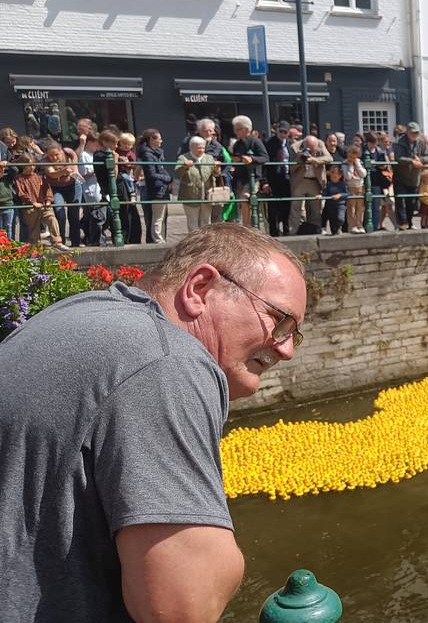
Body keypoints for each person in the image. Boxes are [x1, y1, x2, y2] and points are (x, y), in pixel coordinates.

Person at [0, 223, 305, 622]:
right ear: (199, 288)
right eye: (279, 321)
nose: (286, 350)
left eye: (294, 335)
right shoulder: (167, 361)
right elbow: (181, 608)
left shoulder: (76, 314)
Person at [12, 153, 67, 250]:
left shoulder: (39, 177)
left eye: (33, 164)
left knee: (52, 219)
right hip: (31, 207)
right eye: (30, 165)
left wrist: (48, 200)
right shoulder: (19, 179)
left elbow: (47, 189)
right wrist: (33, 202)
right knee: (34, 228)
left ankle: (57, 242)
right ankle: (35, 248)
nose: (32, 167)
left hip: (44, 205)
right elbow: (21, 193)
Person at [229, 115, 268, 227]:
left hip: (252, 177)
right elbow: (237, 157)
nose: (235, 132)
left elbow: (265, 157)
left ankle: (247, 226)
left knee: (245, 198)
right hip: (240, 177)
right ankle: (243, 224)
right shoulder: (237, 144)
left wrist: (252, 159)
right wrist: (236, 159)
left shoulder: (255, 141)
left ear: (246, 129)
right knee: (239, 201)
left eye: (237, 129)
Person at [288, 135, 332, 235]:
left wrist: (314, 160)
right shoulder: (294, 147)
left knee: (316, 208)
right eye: (309, 149)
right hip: (300, 180)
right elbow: (290, 167)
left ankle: (316, 230)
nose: (311, 151)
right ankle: (293, 231)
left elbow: (329, 158)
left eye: (313, 149)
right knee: (296, 207)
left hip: (315, 181)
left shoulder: (320, 144)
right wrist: (300, 160)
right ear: (304, 144)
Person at [393, 122, 428, 230]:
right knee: (400, 201)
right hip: (400, 176)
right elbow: (398, 157)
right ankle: (402, 223)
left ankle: (409, 222)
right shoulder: (398, 142)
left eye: (417, 132)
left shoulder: (422, 142)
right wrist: (411, 161)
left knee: (412, 202)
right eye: (413, 132)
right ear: (407, 132)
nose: (415, 134)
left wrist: (421, 160)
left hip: (415, 177)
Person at [137, 129, 172, 243]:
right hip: (156, 188)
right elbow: (151, 174)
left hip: (161, 187)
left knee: (160, 216)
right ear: (152, 139)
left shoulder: (156, 153)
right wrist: (168, 178)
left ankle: (159, 238)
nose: (161, 141)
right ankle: (157, 239)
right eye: (159, 138)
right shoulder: (148, 154)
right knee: (157, 217)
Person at [176, 136, 217, 233]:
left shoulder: (209, 158)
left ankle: (206, 241)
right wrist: (184, 166)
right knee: (192, 223)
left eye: (203, 147)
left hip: (207, 196)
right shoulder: (183, 157)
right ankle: (194, 243)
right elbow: (178, 172)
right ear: (191, 147)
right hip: (190, 196)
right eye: (199, 148)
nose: (201, 150)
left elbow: (215, 174)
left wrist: (217, 169)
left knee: (206, 222)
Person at [263, 122, 295, 237]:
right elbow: (264, 164)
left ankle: (286, 230)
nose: (282, 134)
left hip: (286, 178)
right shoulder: (269, 143)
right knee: (273, 208)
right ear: (277, 131)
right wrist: (265, 182)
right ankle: (274, 232)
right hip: (273, 179)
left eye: (285, 132)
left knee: (286, 205)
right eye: (280, 131)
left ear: (288, 133)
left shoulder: (291, 145)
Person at [343, 145, 367, 233]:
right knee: (351, 207)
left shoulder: (359, 162)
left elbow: (363, 174)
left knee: (360, 208)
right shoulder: (345, 163)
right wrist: (351, 166)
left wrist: (357, 164)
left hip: (360, 186)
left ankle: (359, 225)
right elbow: (348, 176)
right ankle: (352, 226)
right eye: (350, 157)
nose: (352, 159)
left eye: (354, 157)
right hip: (350, 187)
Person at [320, 164, 348, 235]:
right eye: (332, 176)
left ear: (340, 176)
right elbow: (325, 192)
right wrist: (320, 195)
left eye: (335, 176)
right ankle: (334, 233)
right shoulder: (328, 184)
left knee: (340, 218)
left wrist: (340, 195)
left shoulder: (343, 184)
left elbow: (348, 193)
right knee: (332, 221)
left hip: (340, 205)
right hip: (330, 206)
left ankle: (339, 228)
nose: (333, 177)